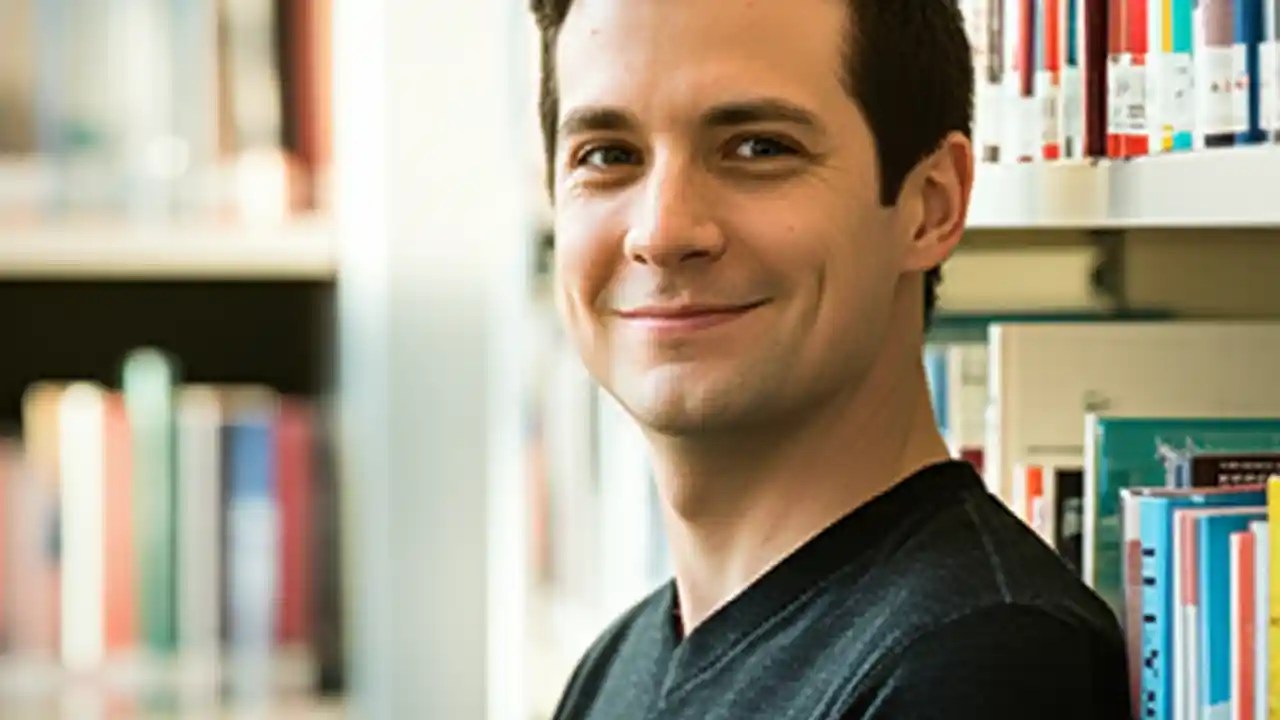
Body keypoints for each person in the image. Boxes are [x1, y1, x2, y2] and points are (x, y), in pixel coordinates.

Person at [531, 0, 1133, 717]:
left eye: (759, 148)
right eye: (607, 156)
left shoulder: (981, 661)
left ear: (931, 205)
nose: (661, 233)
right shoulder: (617, 667)